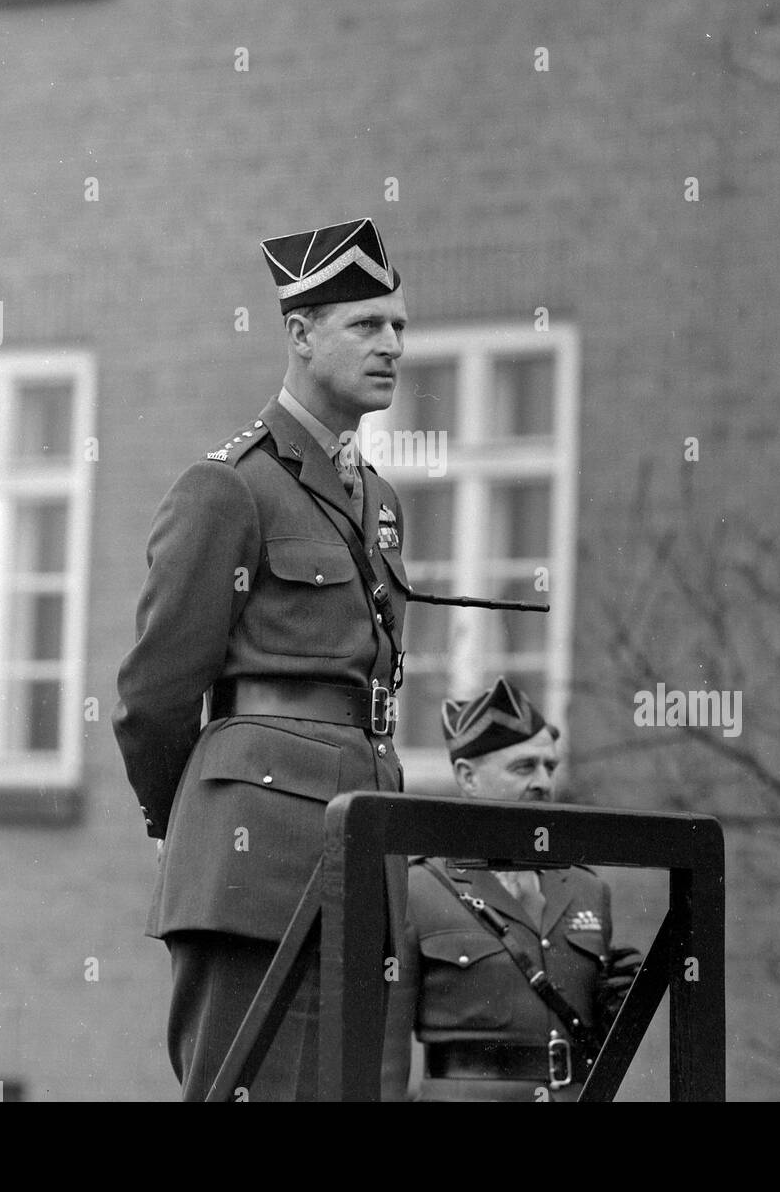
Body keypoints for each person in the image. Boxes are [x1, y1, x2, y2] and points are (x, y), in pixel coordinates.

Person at [112, 216, 412, 1101]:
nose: (391, 345)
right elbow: (154, 694)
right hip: (254, 863)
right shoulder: (231, 486)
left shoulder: (378, 503)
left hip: (366, 843)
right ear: (300, 333)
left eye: (398, 326)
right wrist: (189, 822)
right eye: (365, 324)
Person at [382, 678, 642, 1102]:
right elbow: (385, 1062)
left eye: (549, 767)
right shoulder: (419, 889)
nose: (542, 781)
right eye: (524, 767)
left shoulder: (587, 889)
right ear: (467, 777)